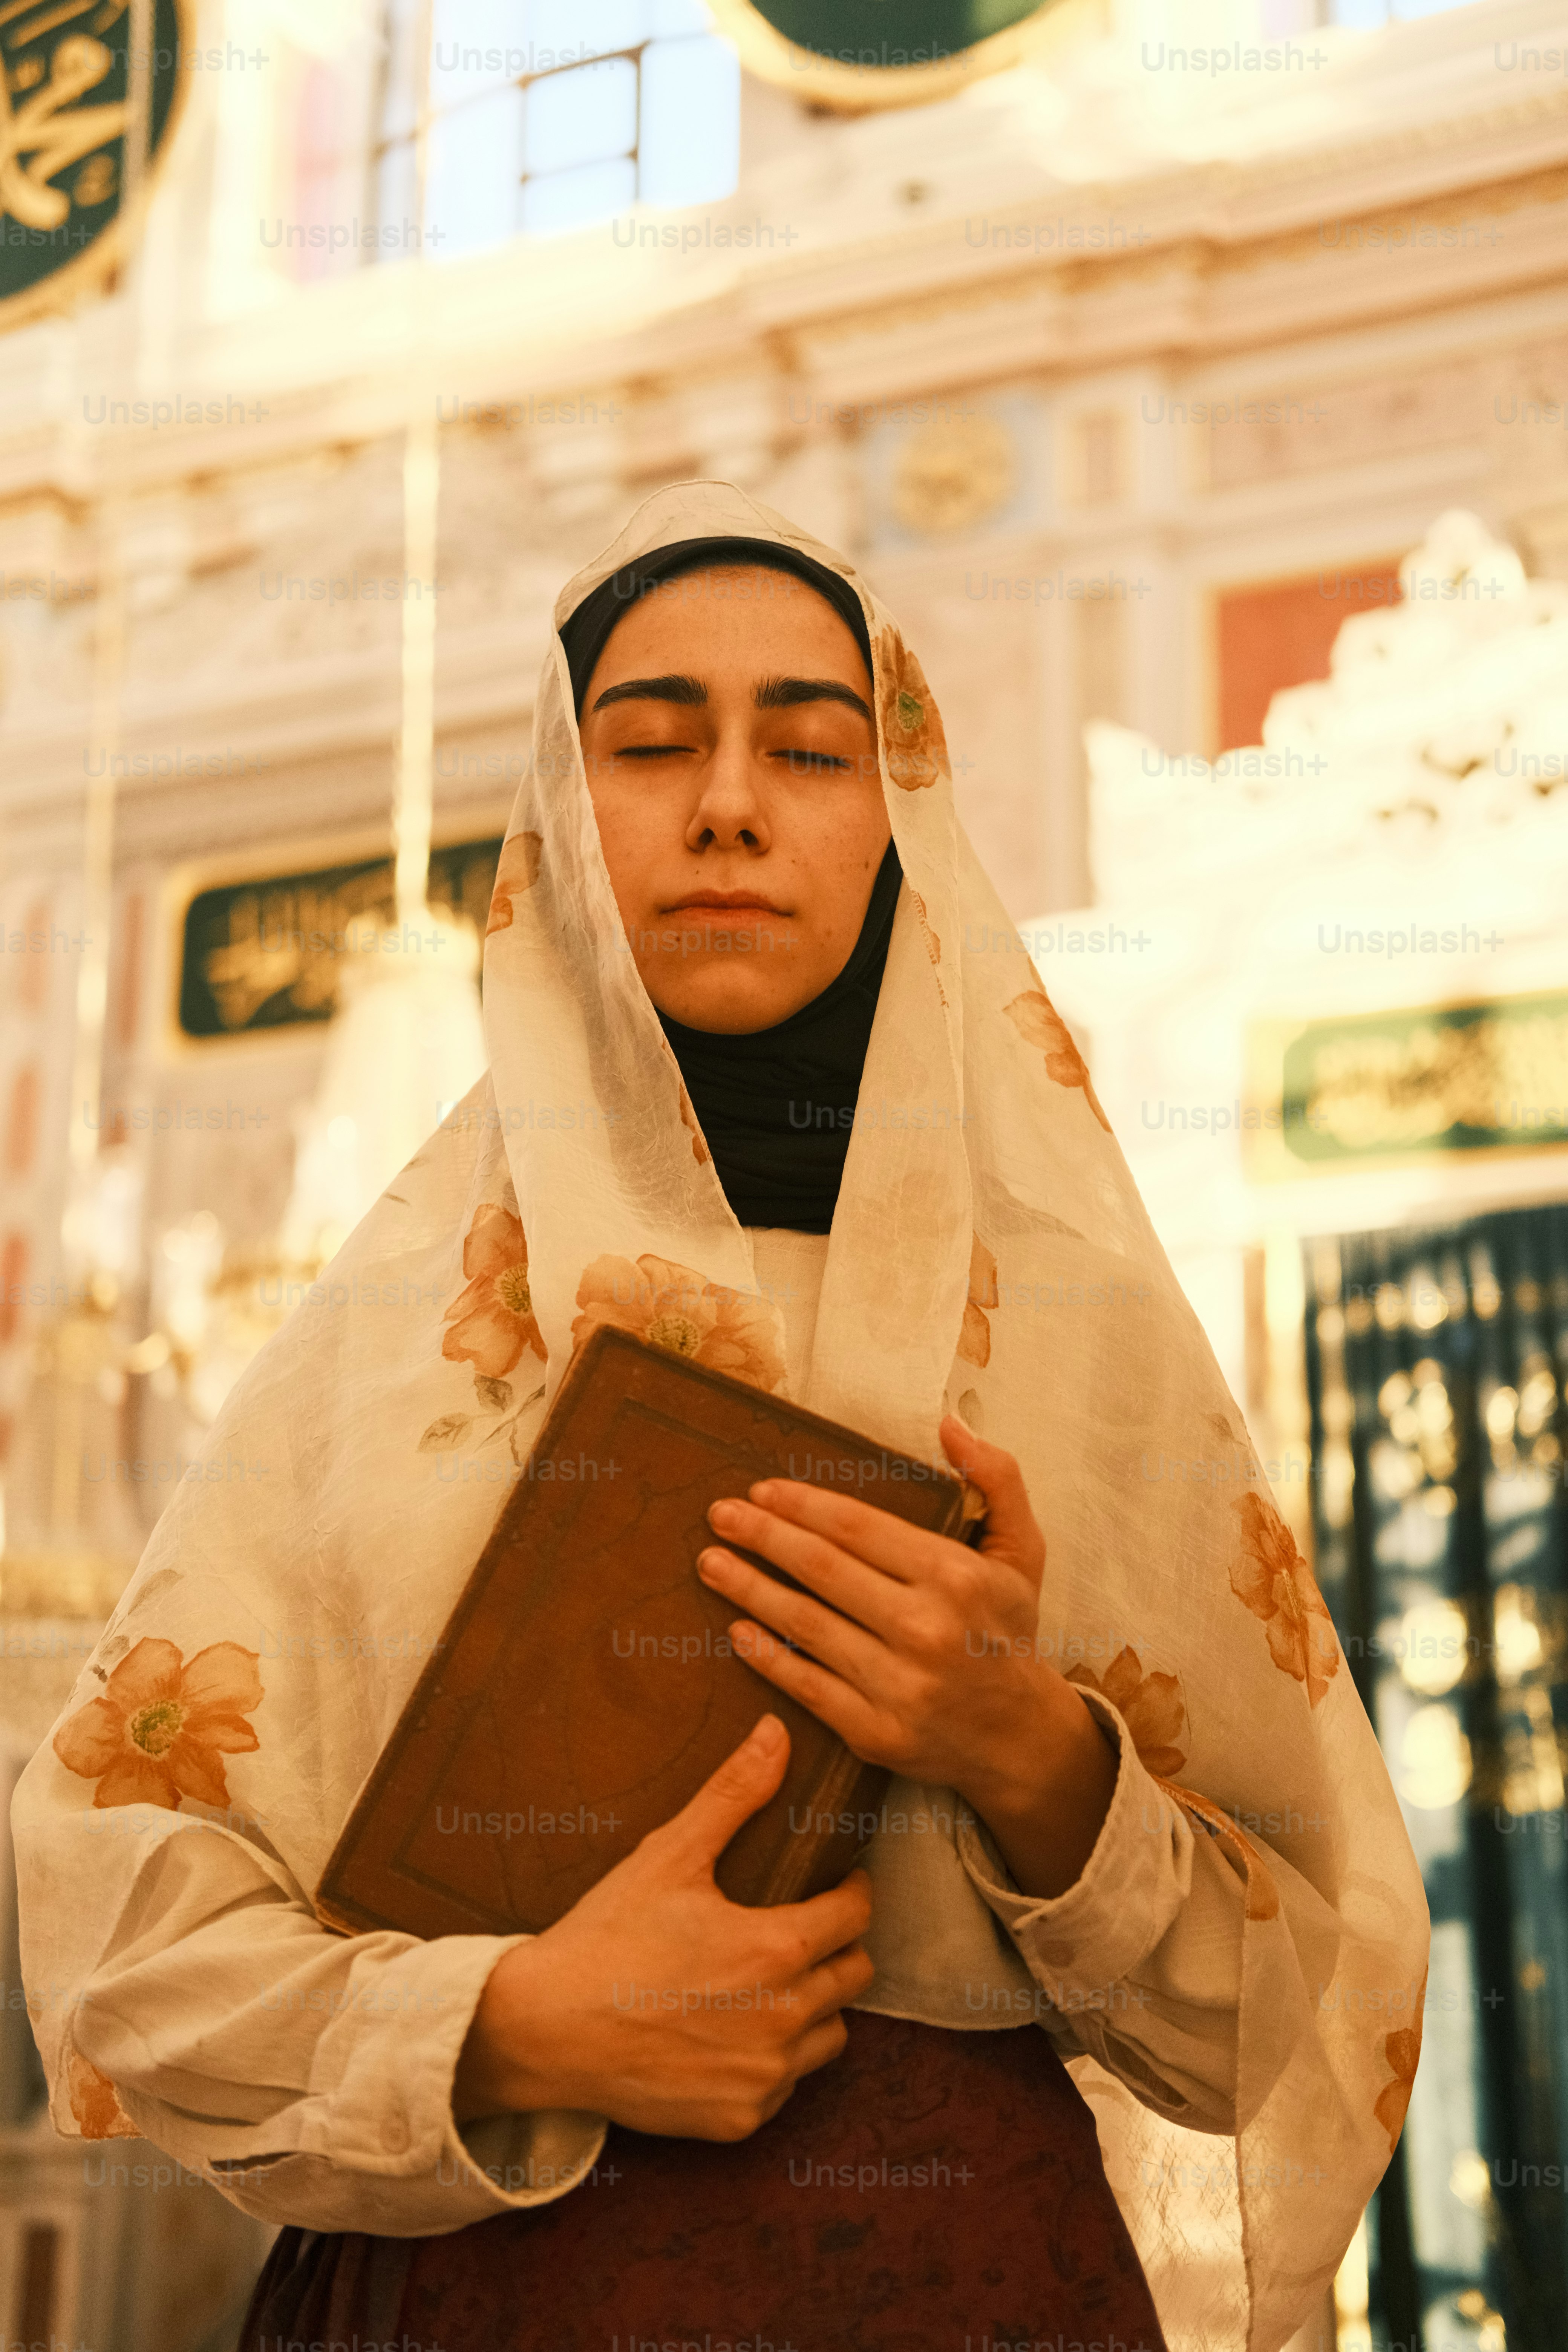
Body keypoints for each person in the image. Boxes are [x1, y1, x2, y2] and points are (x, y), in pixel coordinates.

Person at [15, 483, 1429, 2352]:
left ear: (895, 819)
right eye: (652, 741)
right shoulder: (388, 1336)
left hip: (969, 2286)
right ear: (555, 816)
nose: (730, 805)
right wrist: (509, 2021)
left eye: (814, 749)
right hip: (494, 2291)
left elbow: (1292, 2015)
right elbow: (120, 1940)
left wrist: (1021, 1752)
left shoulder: (1078, 1338)